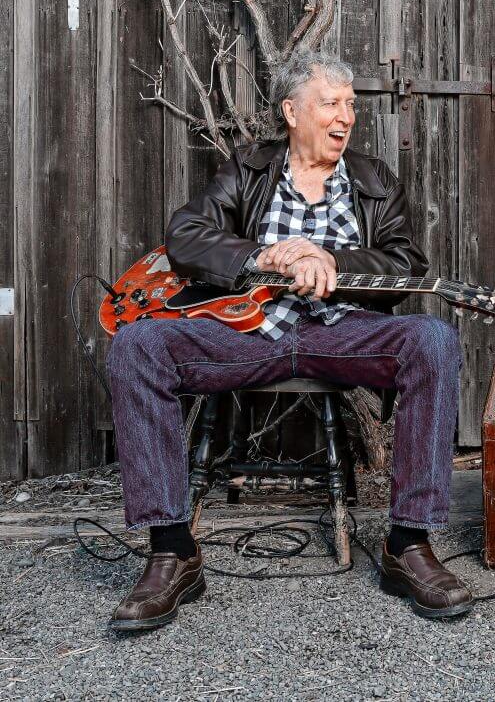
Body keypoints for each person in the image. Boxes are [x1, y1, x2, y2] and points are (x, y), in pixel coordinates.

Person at [106, 48, 473, 629]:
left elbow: (405, 262)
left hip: (342, 330)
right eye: (330, 104)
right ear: (292, 111)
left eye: (350, 105)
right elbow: (186, 234)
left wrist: (330, 259)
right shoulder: (248, 169)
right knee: (136, 346)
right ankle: (172, 551)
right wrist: (263, 256)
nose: (345, 117)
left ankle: (408, 543)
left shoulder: (374, 179)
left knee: (433, 339)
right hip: (253, 331)